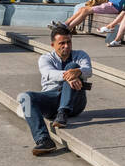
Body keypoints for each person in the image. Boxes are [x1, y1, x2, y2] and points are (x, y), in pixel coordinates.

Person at [18, 23, 92, 155]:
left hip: (75, 102)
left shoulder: (80, 55)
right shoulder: (45, 58)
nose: (66, 46)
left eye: (69, 42)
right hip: (51, 99)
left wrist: (78, 71)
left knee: (73, 65)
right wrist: (70, 75)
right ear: (53, 45)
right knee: (25, 97)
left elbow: (88, 70)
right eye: (62, 43)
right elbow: (48, 73)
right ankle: (44, 140)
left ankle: (63, 112)